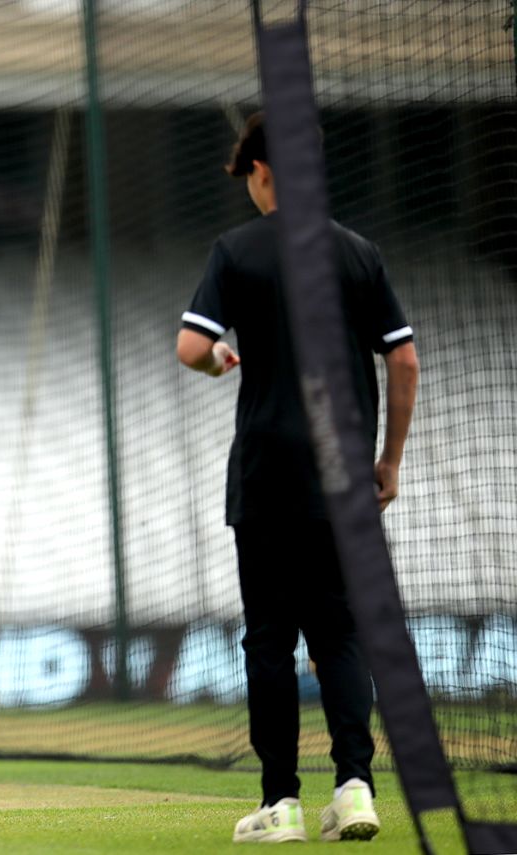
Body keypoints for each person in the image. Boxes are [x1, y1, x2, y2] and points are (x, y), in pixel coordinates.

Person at [176, 111, 419, 844]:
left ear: (260, 173)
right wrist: (390, 459)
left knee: (269, 640)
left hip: (266, 476)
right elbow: (402, 359)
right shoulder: (357, 253)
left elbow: (192, 344)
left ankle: (279, 801)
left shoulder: (237, 250)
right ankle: (355, 790)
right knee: (341, 635)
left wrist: (221, 360)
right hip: (344, 475)